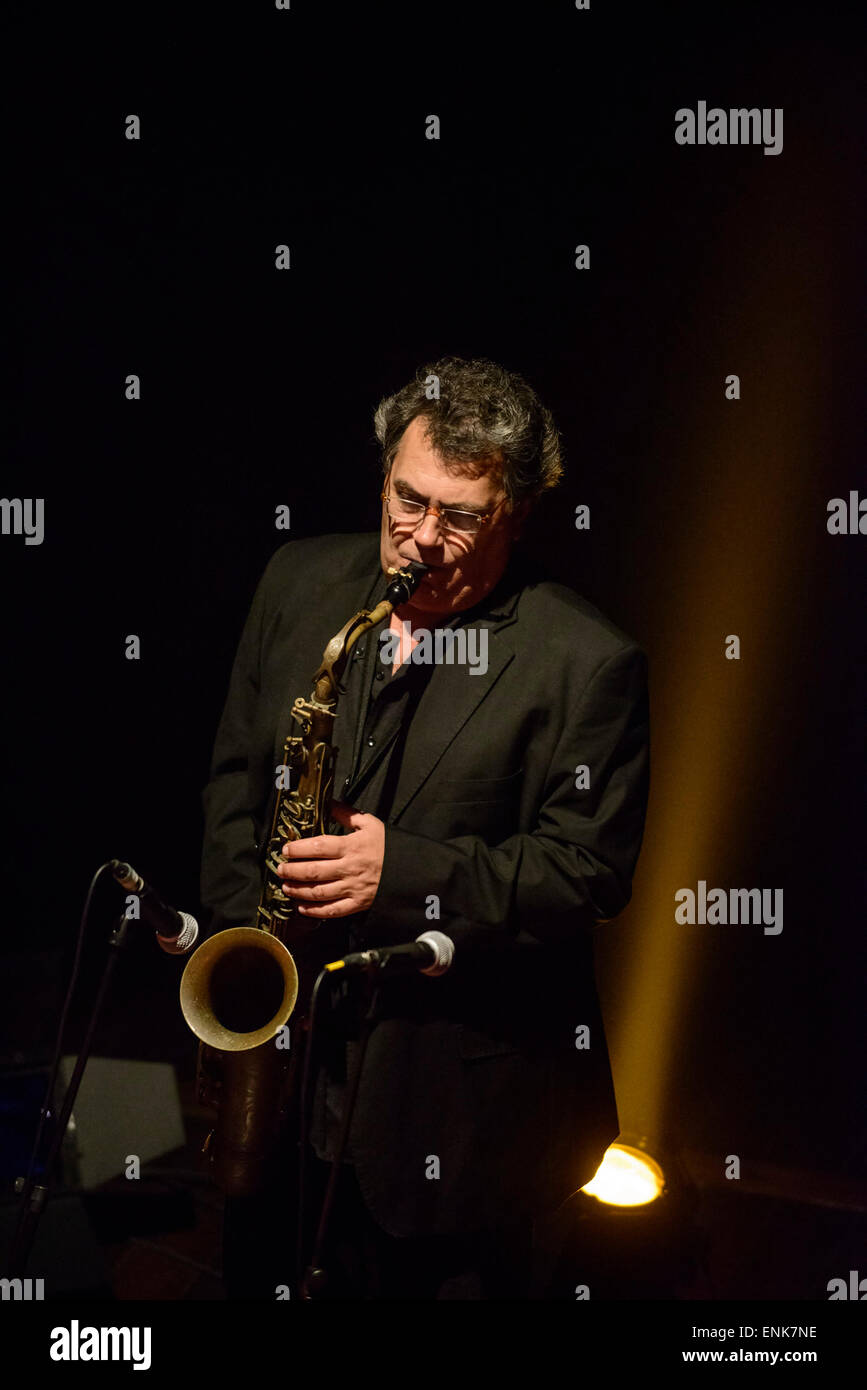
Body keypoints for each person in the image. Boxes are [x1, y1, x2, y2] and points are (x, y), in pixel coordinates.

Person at [199, 355, 650, 1298]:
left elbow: (587, 872)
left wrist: (399, 873)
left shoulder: (585, 660)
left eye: (461, 516)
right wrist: (252, 946)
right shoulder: (299, 579)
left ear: (516, 518)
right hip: (288, 1072)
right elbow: (237, 778)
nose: (421, 540)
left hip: (452, 1113)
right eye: (408, 500)